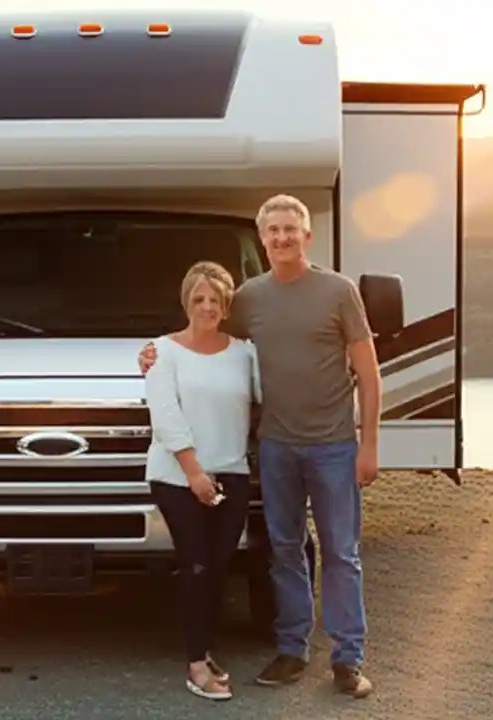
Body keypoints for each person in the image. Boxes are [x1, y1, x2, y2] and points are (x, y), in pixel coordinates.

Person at [138, 194, 380, 699]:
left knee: (341, 552)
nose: (282, 237)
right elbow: (208, 343)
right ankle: (292, 649)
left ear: (306, 236)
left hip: (334, 444)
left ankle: (348, 659)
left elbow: (368, 369)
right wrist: (151, 354)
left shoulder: (339, 291)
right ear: (263, 238)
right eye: (273, 230)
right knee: (284, 551)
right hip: (275, 447)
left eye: (291, 229)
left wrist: (369, 444)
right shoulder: (248, 298)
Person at [143, 260, 259, 702]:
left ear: (226, 307)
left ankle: (204, 648)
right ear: (185, 303)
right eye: (198, 299)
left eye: (215, 300)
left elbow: (270, 396)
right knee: (195, 564)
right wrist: (194, 472)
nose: (206, 306)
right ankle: (195, 665)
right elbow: (166, 416)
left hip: (231, 472)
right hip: (177, 476)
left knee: (217, 567)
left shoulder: (244, 354)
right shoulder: (161, 352)